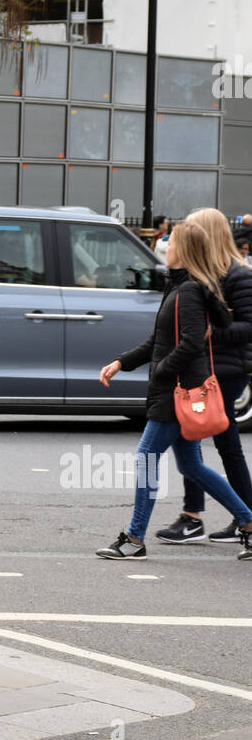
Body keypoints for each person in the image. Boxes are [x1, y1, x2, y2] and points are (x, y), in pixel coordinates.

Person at [96, 219, 252, 562]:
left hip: (177, 390)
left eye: (172, 243)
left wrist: (162, 373)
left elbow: (192, 343)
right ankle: (249, 522)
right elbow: (160, 339)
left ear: (185, 250)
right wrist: (123, 362)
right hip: (177, 387)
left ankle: (135, 538)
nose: (166, 248)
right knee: (192, 466)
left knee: (146, 458)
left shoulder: (190, 291)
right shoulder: (181, 286)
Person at [155, 208, 252, 544]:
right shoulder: (203, 274)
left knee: (223, 444)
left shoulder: (238, 274)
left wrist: (211, 333)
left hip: (226, 370)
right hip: (205, 368)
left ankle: (239, 517)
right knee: (194, 438)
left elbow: (248, 327)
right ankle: (200, 515)